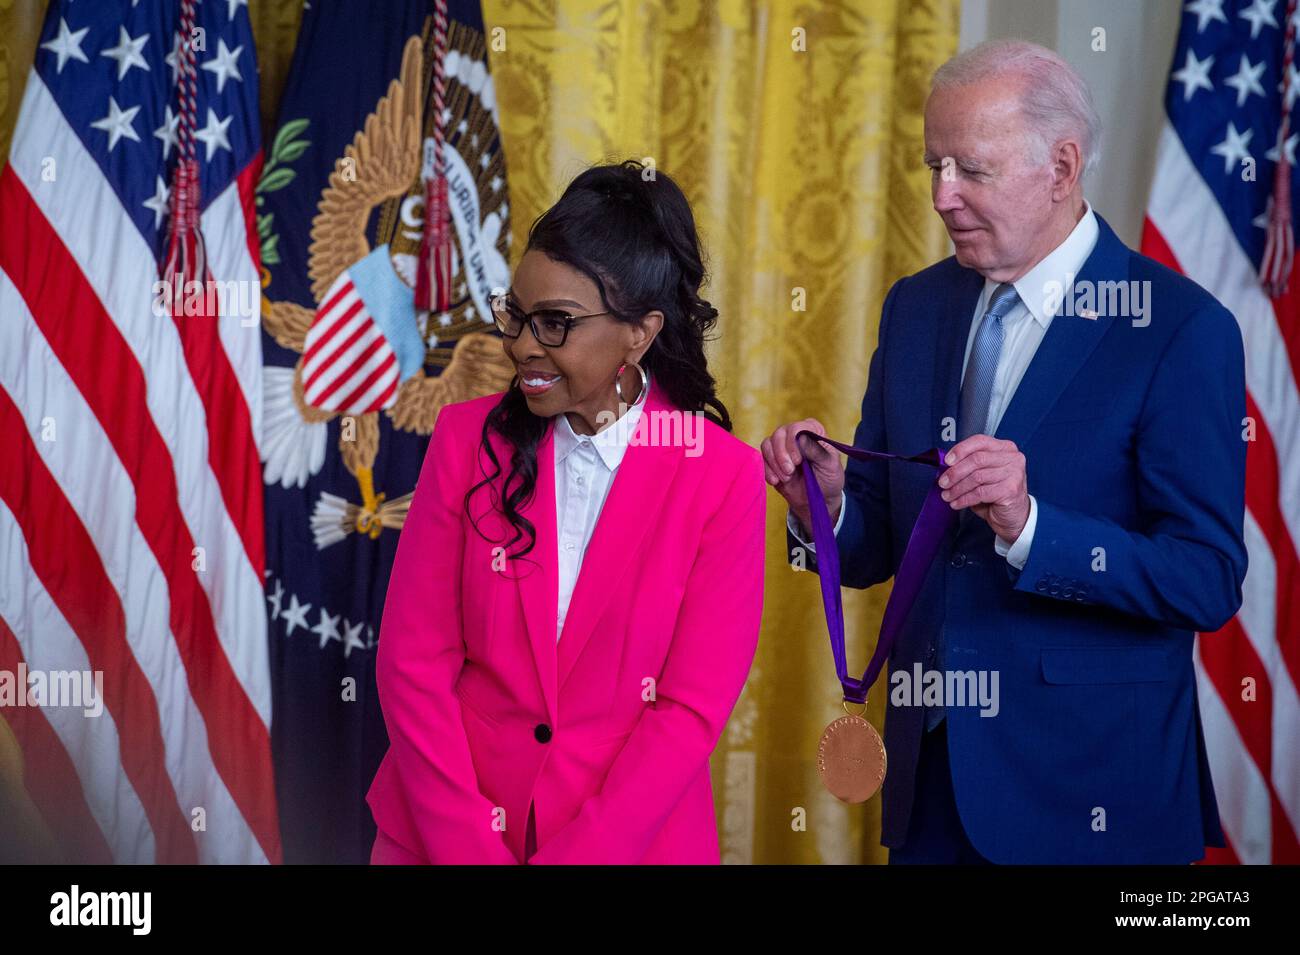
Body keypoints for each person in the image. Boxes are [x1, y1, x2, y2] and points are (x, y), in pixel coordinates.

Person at [763, 39, 1247, 864]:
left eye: (971, 171)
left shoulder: (1181, 330)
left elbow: (1205, 579)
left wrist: (1031, 526)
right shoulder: (915, 307)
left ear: (1062, 168)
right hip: (930, 792)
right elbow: (888, 542)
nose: (942, 196)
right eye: (933, 165)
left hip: (1093, 798)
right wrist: (827, 509)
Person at [366, 160, 766, 864]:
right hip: (440, 839)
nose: (523, 344)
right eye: (517, 314)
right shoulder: (466, 441)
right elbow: (412, 664)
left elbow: (687, 712)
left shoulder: (723, 478)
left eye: (556, 324)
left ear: (638, 334)